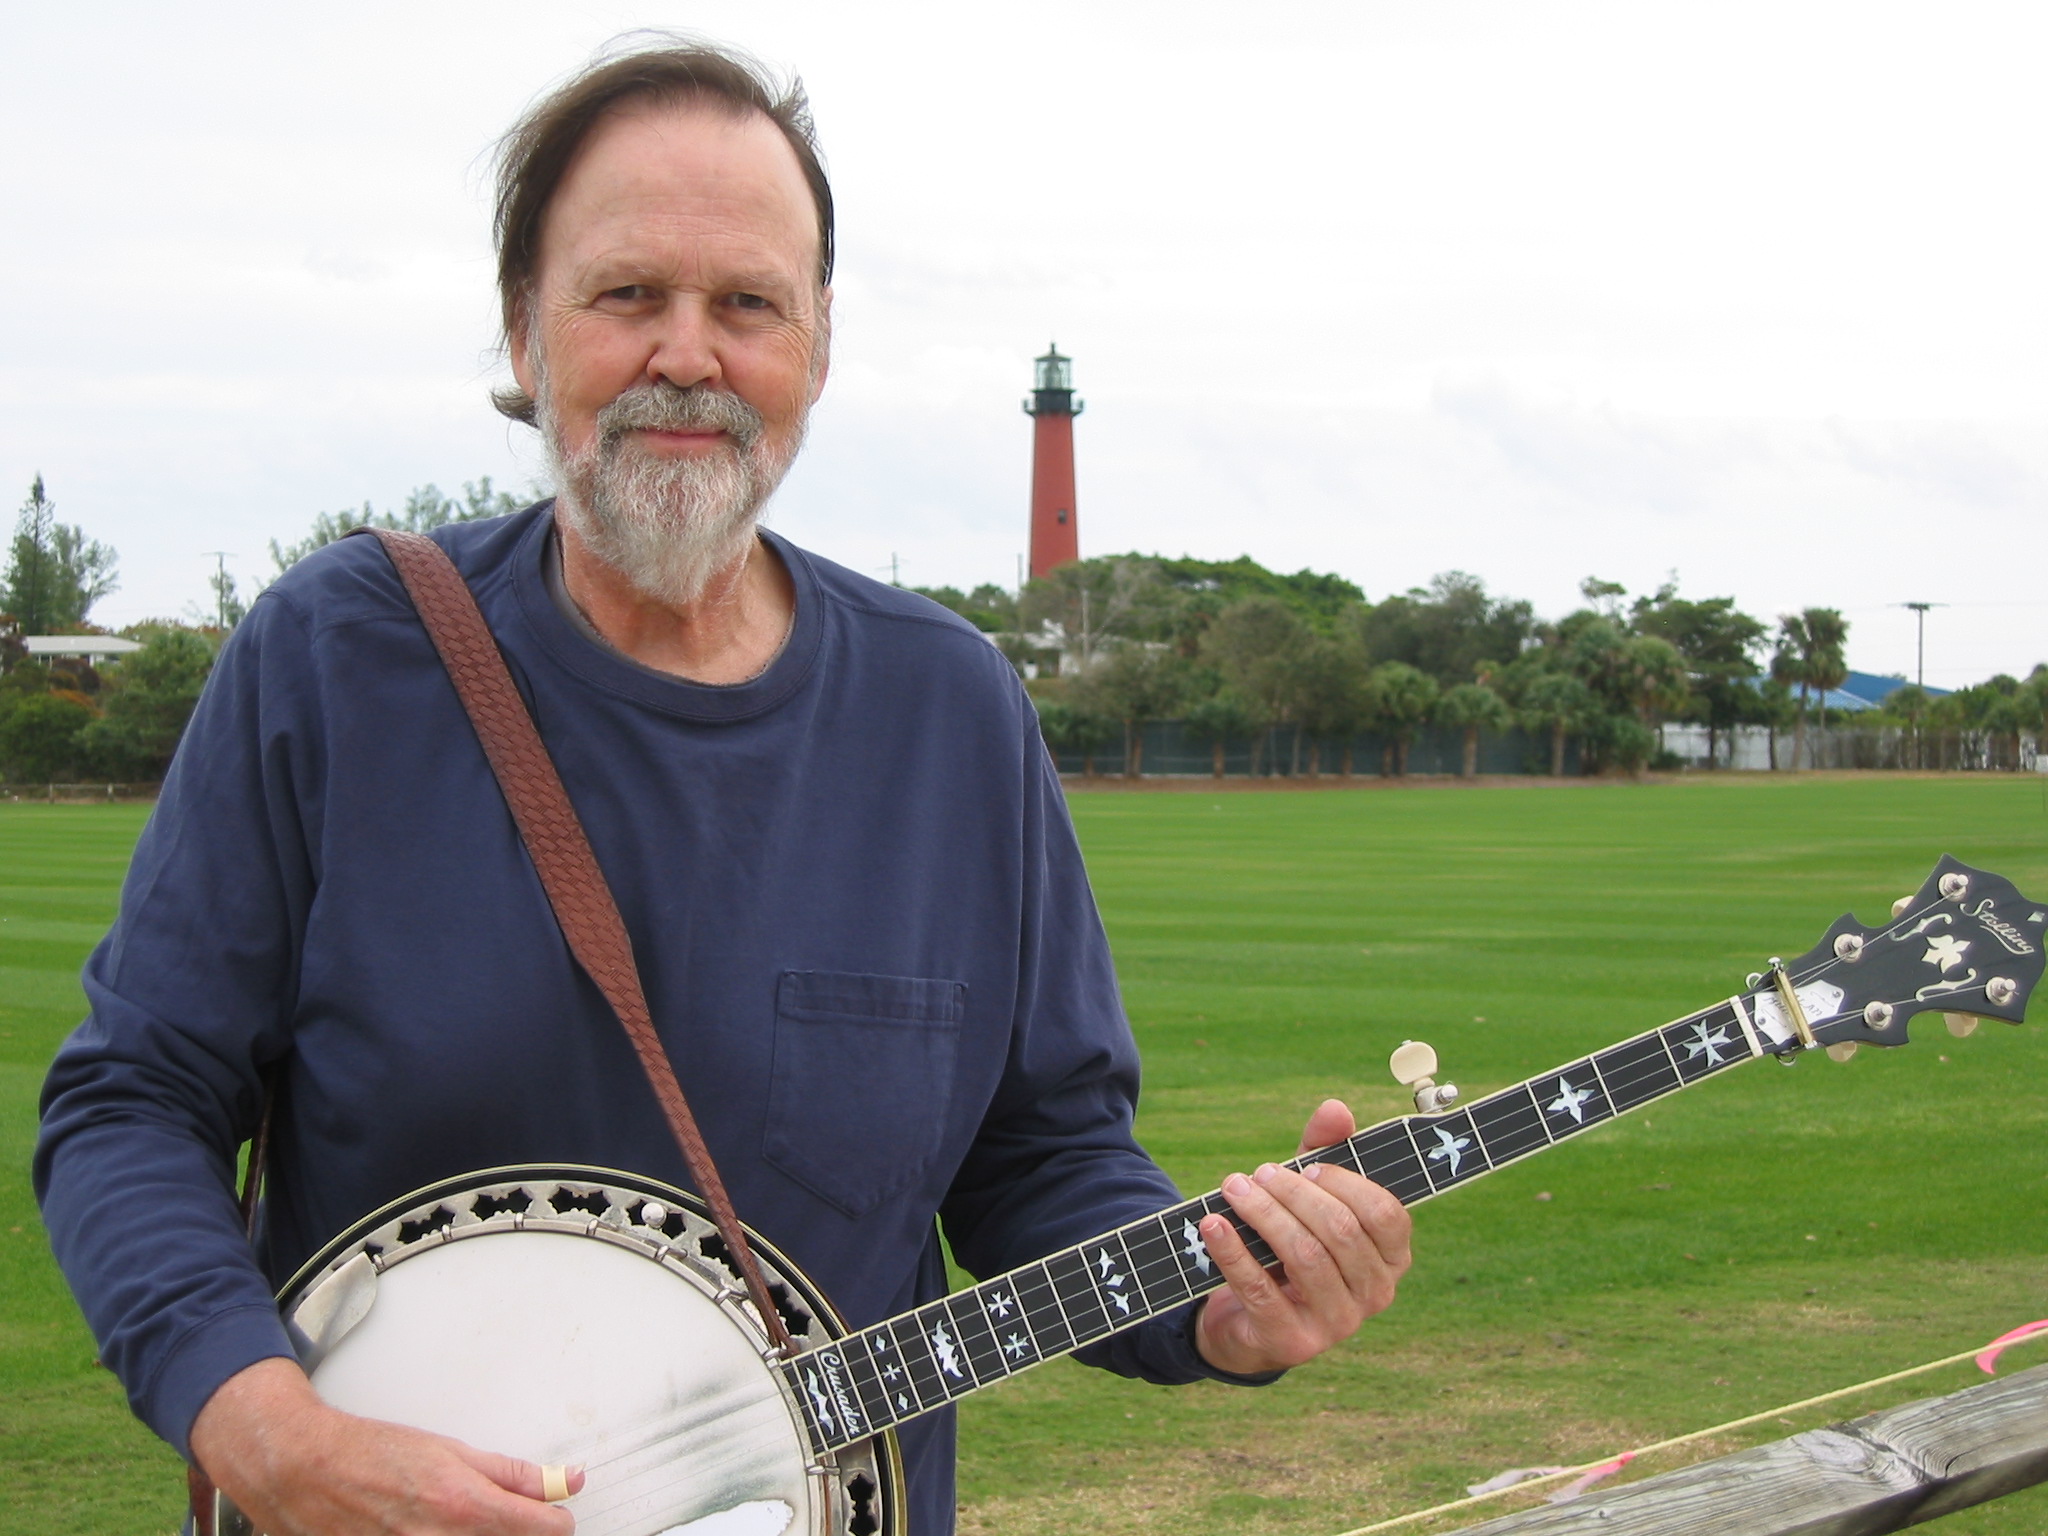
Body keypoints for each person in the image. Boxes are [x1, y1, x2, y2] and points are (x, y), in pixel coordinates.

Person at [35, 39, 1412, 1536]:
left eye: (748, 304)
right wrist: (263, 1426)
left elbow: (1043, 1161)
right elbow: (131, 1102)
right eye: (629, 295)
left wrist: (1216, 1308)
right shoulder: (335, 654)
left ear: (816, 347)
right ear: (522, 332)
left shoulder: (950, 711)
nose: (688, 355)